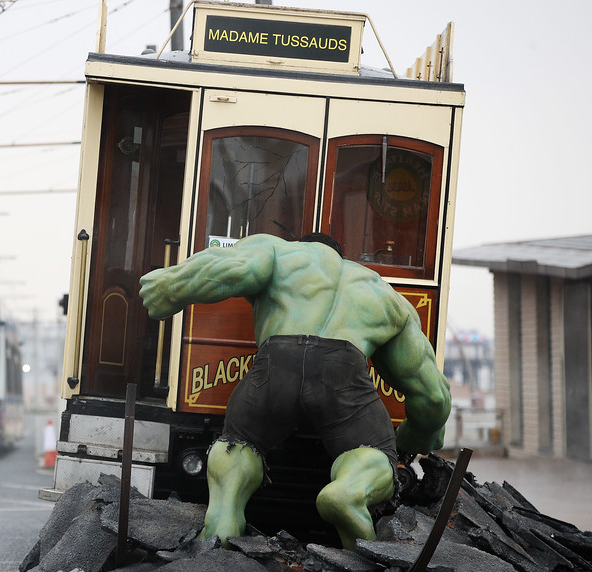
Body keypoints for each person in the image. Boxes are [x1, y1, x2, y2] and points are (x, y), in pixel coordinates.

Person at [139, 232, 450, 551]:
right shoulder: (381, 293)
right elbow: (434, 397)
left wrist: (170, 284)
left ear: (303, 246)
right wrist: (415, 437)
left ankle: (223, 517)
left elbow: (232, 267)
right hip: (343, 371)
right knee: (369, 452)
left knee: (240, 440)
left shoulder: (280, 251)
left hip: (277, 362)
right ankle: (349, 492)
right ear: (341, 257)